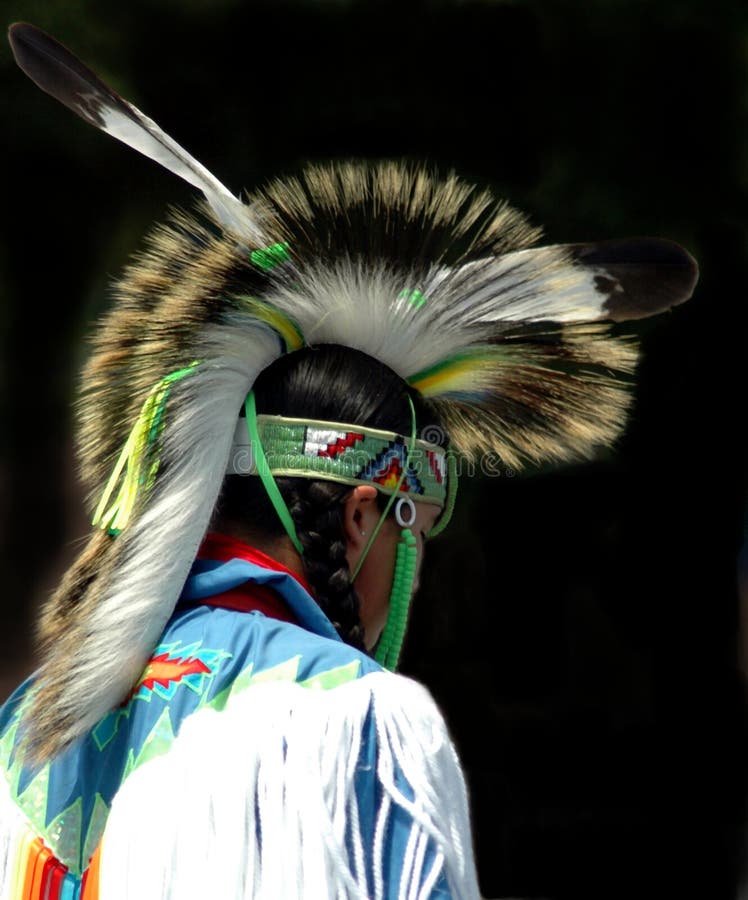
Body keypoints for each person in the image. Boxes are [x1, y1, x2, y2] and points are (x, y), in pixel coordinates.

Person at [0, 22, 698, 900]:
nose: (413, 573)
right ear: (365, 514)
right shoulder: (361, 722)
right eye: (416, 527)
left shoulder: (33, 731)